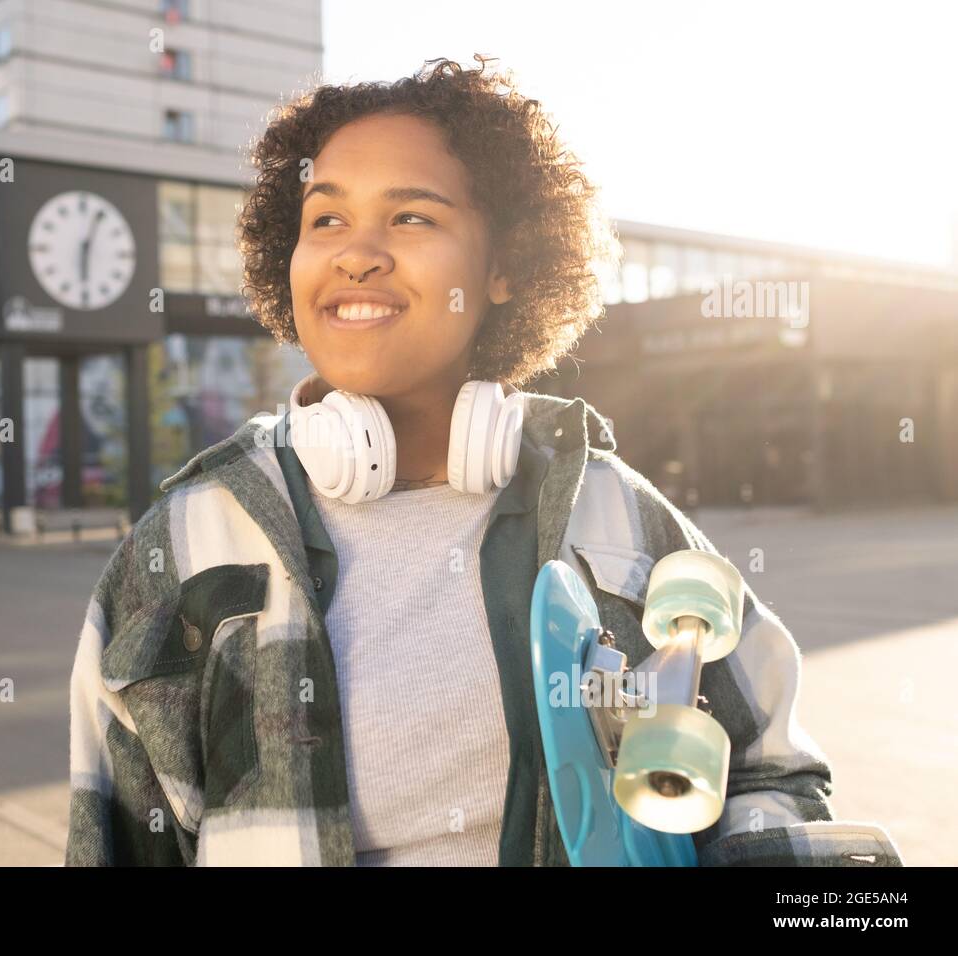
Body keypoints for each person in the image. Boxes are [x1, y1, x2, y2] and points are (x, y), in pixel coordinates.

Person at [65, 55, 902, 866]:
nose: (357, 253)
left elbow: (769, 773)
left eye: (412, 216)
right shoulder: (179, 546)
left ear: (502, 267)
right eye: (326, 218)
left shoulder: (618, 518)